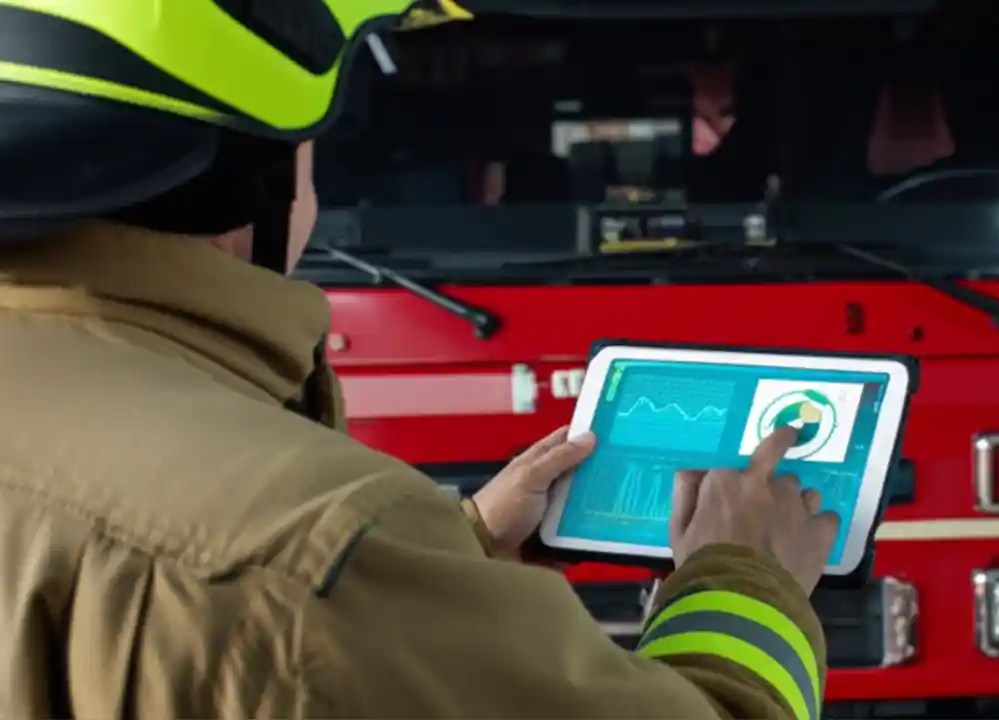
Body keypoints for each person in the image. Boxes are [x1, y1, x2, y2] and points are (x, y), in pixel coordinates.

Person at [0, 2, 839, 718]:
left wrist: (447, 554)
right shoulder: (317, 547)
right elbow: (291, 599)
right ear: (250, 173)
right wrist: (744, 584)